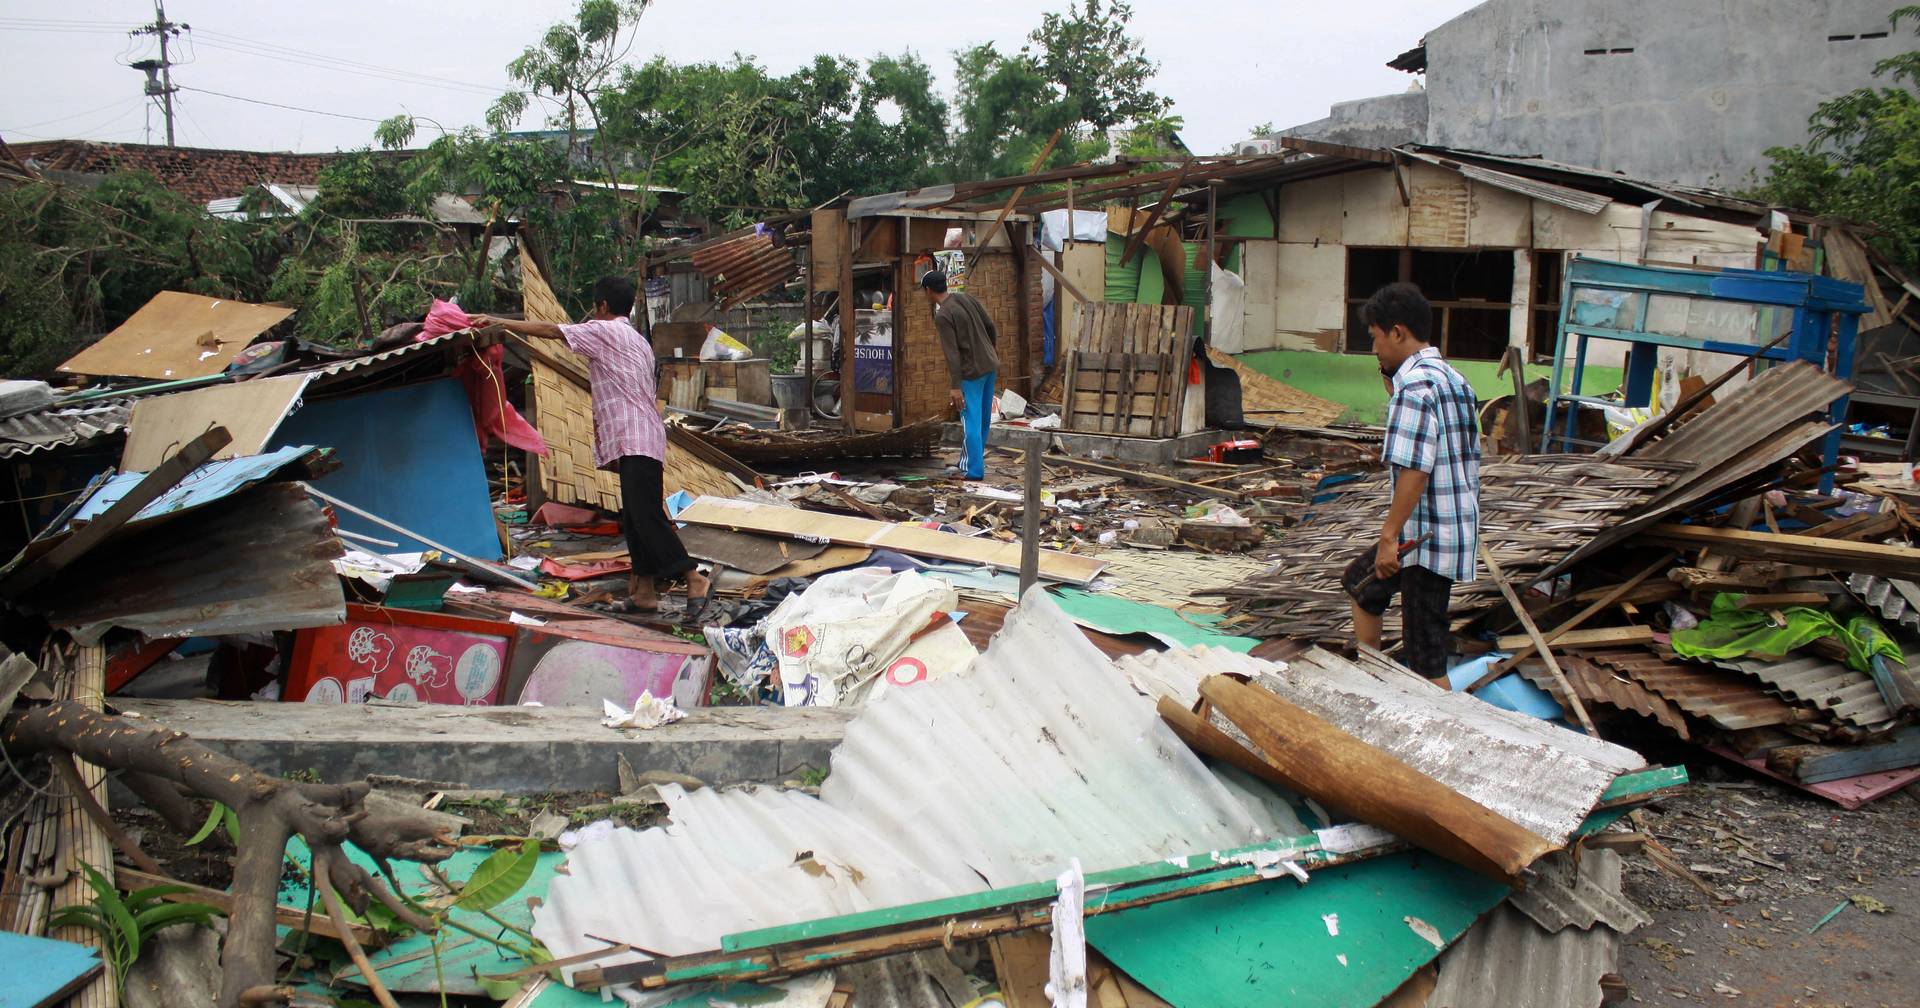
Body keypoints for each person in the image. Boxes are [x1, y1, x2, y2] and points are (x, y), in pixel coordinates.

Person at [471, 278, 710, 614]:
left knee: (646, 517)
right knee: (634, 518)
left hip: (634, 436)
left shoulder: (604, 331)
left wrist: (500, 323)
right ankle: (644, 591)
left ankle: (692, 577)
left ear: (600, 306)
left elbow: (552, 330)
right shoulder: (639, 340)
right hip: (642, 436)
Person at [1342, 282, 1481, 684]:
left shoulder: (1415, 389)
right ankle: (1372, 679)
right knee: (1362, 585)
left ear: (1397, 332)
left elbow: (1415, 470)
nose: (1375, 350)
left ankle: (1447, 734)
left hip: (1425, 540)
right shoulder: (1453, 379)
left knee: (1425, 652)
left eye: (1376, 338)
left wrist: (1389, 536)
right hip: (1444, 528)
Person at [920, 269, 999, 481]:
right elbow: (990, 326)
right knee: (982, 419)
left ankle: (974, 471)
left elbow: (952, 354)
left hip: (971, 372)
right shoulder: (966, 298)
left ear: (928, 291)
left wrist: (955, 387)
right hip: (989, 365)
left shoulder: (943, 315)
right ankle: (973, 463)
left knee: (970, 420)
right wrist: (990, 349)